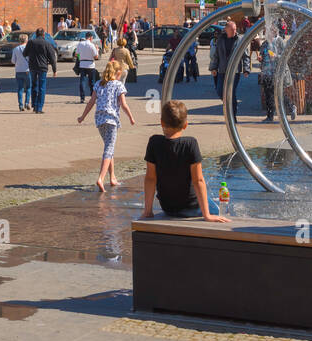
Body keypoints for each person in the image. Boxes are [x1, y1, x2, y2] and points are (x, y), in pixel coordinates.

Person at [139, 100, 221, 220]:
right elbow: (198, 180)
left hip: (168, 207)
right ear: (185, 125)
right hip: (191, 207)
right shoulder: (190, 144)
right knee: (218, 209)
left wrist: (147, 211)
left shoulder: (154, 142)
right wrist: (207, 215)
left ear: (162, 122)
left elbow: (150, 178)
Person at [77, 59, 136, 191]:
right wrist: (131, 117)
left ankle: (112, 177)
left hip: (99, 119)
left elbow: (91, 102)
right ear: (118, 73)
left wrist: (82, 117)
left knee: (109, 147)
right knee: (109, 149)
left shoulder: (98, 84)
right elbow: (123, 104)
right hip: (111, 120)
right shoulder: (118, 85)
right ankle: (101, 178)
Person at [209, 18, 249, 119]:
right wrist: (213, 68)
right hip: (222, 71)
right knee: (219, 91)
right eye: (232, 30)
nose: (234, 31)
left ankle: (232, 114)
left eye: (235, 29)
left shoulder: (240, 40)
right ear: (226, 29)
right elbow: (216, 55)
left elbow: (245, 55)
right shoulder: (220, 40)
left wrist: (246, 69)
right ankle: (230, 106)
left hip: (234, 72)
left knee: (231, 92)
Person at [23, 27, 57, 114]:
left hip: (33, 67)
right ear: (44, 34)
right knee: (42, 87)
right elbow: (52, 58)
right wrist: (54, 70)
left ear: (36, 34)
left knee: (34, 85)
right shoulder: (47, 43)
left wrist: (31, 56)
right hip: (43, 68)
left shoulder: (31, 42)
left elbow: (24, 53)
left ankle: (34, 105)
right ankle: (39, 107)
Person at [75, 32, 99, 104]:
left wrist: (81, 58)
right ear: (91, 37)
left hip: (82, 64)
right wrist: (97, 50)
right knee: (92, 82)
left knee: (82, 81)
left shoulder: (80, 44)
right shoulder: (92, 45)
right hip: (91, 64)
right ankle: (92, 96)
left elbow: (76, 54)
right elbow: (96, 57)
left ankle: (82, 98)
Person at [13, 33, 32, 110]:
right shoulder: (29, 49)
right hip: (27, 70)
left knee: (20, 88)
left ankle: (20, 105)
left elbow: (13, 60)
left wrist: (18, 63)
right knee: (28, 87)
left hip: (18, 70)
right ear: (27, 40)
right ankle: (27, 102)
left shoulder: (16, 49)